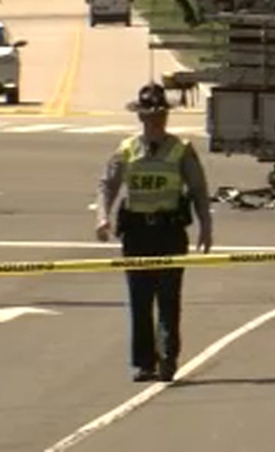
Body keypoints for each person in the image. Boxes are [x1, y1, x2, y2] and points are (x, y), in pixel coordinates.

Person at [95, 83, 214, 382]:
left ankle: (168, 356)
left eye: (161, 114)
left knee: (169, 298)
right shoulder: (127, 149)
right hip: (137, 233)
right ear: (140, 117)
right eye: (150, 114)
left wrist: (206, 226)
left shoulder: (181, 149)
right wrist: (102, 217)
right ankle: (144, 362)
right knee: (140, 299)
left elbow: (198, 189)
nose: (156, 119)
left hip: (169, 231)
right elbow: (107, 185)